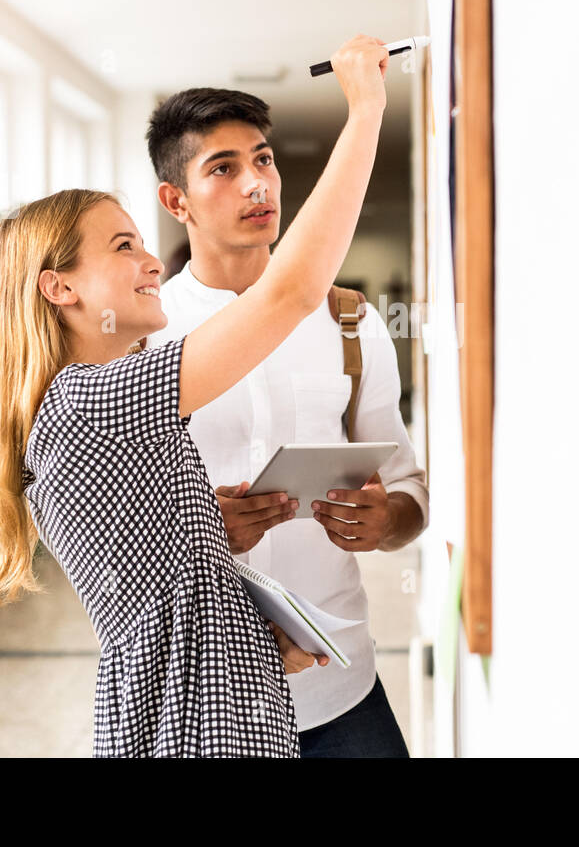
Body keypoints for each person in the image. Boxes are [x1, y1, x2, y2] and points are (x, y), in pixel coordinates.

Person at [0, 34, 390, 757]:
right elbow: (290, 292)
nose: (147, 260)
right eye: (123, 246)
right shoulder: (88, 402)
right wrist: (366, 110)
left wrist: (249, 639)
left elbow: (171, 601)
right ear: (59, 287)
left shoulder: (109, 398)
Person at [143, 83, 428, 757]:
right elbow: (106, 531)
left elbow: (411, 487)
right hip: (206, 699)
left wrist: (388, 520)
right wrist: (199, 526)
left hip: (342, 690)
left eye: (264, 160)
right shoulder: (143, 339)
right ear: (174, 199)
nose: (256, 184)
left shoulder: (349, 322)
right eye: (223, 168)